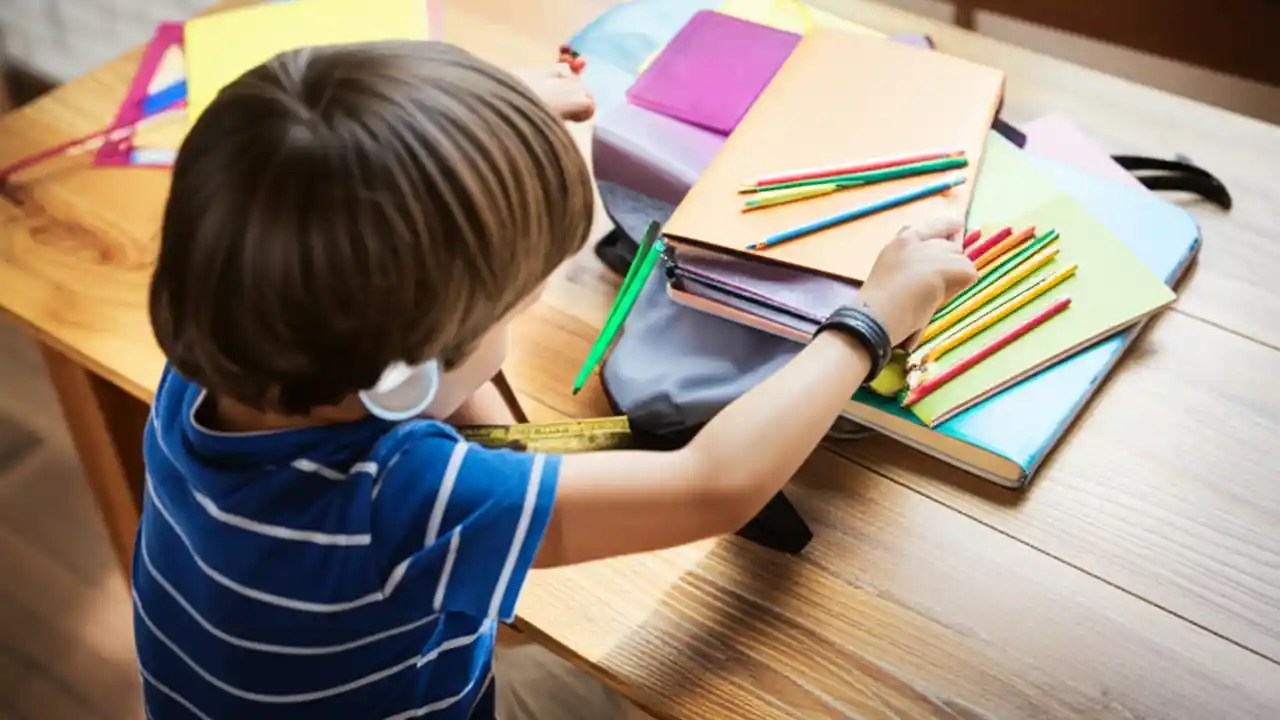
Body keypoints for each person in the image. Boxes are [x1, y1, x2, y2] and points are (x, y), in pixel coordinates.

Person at [136, 40, 977, 720]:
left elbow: (327, 205)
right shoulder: (400, 501)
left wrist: (463, 142)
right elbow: (714, 486)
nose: (521, 312)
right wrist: (870, 318)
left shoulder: (223, 355)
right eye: (514, 306)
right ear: (405, 375)